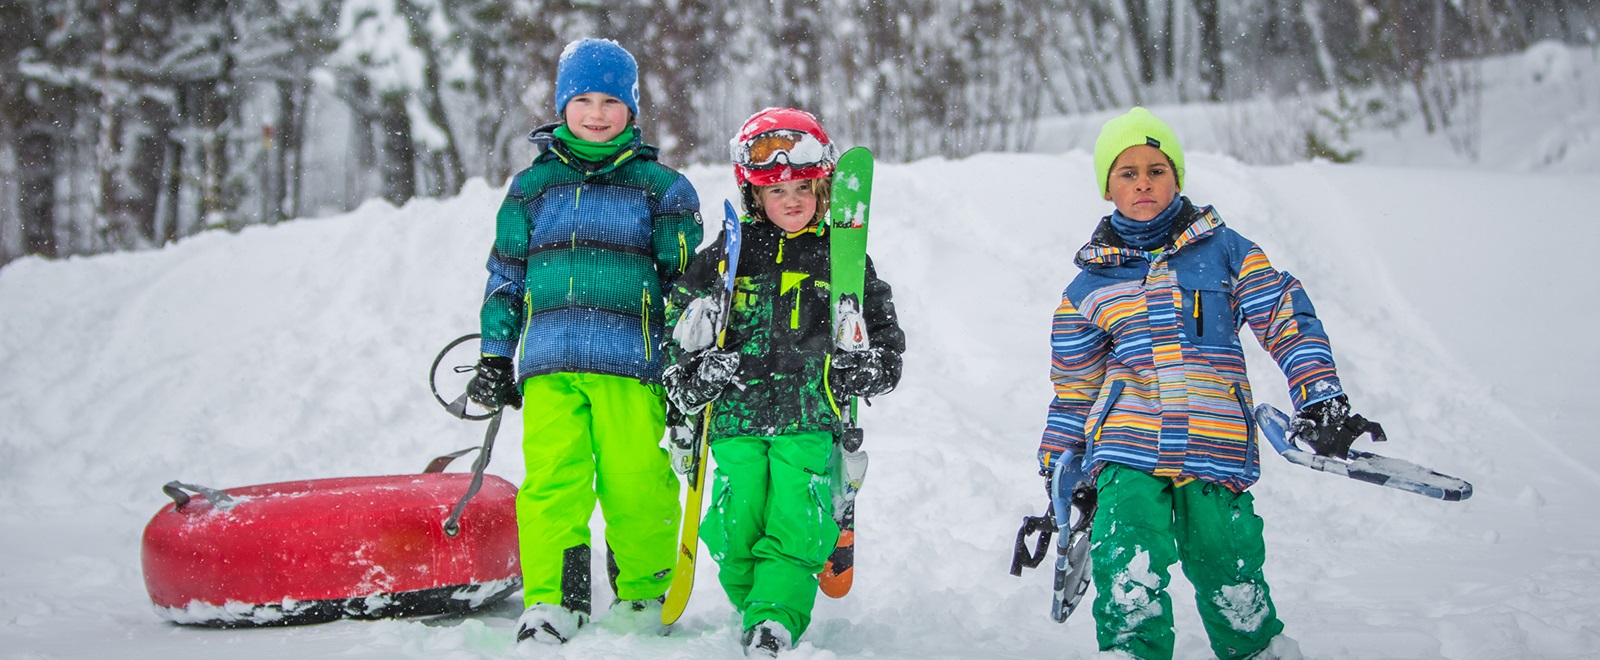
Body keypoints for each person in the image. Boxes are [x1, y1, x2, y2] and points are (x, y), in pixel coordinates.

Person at [1038, 107, 1372, 660]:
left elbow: (1285, 316)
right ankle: (1130, 652)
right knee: (1128, 558)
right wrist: (1059, 465)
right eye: (1127, 172)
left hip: (1213, 442)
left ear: (1177, 179)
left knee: (1228, 565)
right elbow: (1074, 387)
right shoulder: (1089, 286)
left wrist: (1320, 396)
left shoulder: (1225, 251)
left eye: (1156, 169)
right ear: (1107, 188)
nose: (1143, 181)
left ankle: (1255, 650)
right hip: (1127, 445)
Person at [465, 38, 703, 645]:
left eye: (610, 101)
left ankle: (644, 591)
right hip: (549, 364)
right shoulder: (531, 189)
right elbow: (507, 276)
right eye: (583, 100)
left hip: (632, 364)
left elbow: (683, 285)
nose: (596, 114)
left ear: (631, 109)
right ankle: (554, 599)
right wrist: (496, 354)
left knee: (636, 479)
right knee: (553, 481)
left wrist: (687, 361)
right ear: (562, 106)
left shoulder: (662, 189)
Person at [662, 108, 905, 657]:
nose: (791, 200)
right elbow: (677, 332)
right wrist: (692, 377)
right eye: (775, 191)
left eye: (803, 187)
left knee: (796, 519)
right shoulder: (724, 258)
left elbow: (886, 335)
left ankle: (775, 616)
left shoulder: (840, 258)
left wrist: (871, 366)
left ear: (823, 188)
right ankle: (755, 604)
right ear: (753, 196)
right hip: (735, 419)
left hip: (809, 417)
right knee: (736, 521)